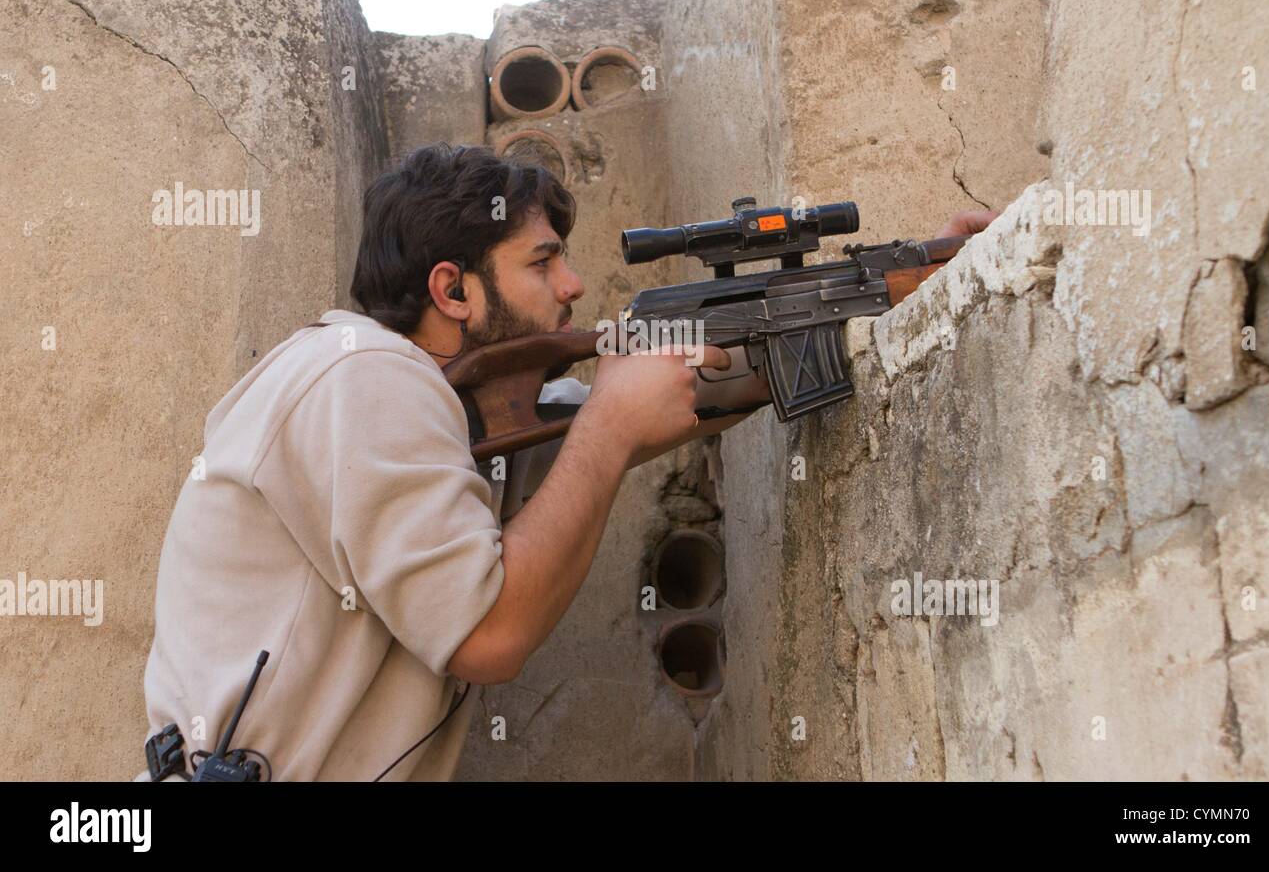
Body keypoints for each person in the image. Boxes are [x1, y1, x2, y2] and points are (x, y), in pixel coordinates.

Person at [136, 142, 996, 781]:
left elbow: (696, 396)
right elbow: (490, 633)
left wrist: (917, 275)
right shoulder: (362, 375)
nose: (575, 286)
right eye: (543, 261)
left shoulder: (459, 415)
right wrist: (610, 430)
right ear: (453, 291)